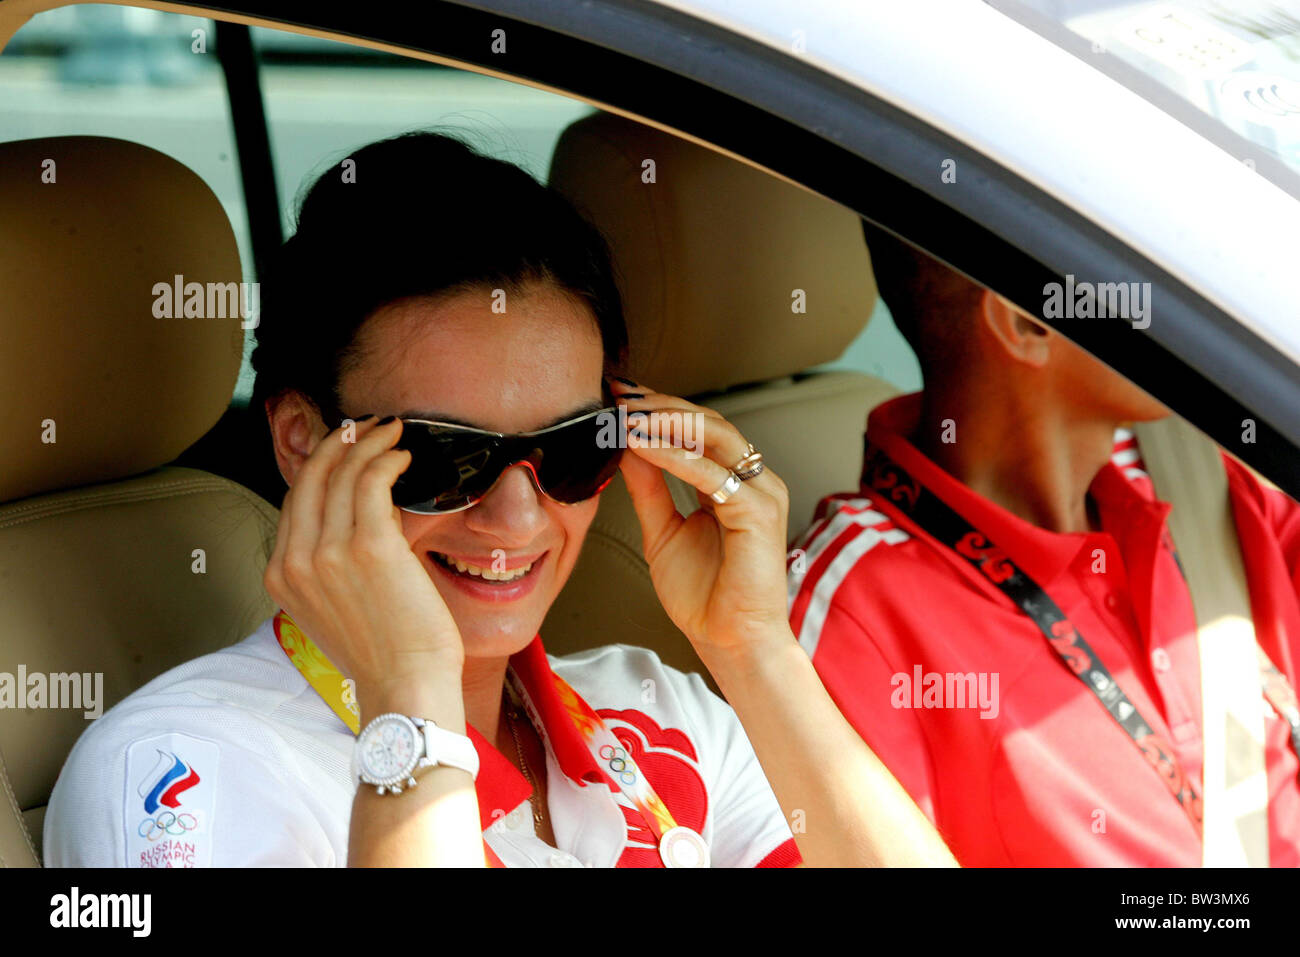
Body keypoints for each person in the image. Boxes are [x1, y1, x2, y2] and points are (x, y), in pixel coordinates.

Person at [43, 131, 955, 868]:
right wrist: (410, 696)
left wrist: (754, 650)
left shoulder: (665, 712)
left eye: (572, 449)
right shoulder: (179, 774)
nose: (517, 517)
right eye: (445, 458)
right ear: (302, 440)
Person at [788, 220, 1300, 866]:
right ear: (1029, 322)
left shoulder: (1208, 486)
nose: (1186, 285)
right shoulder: (852, 613)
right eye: (1144, 256)